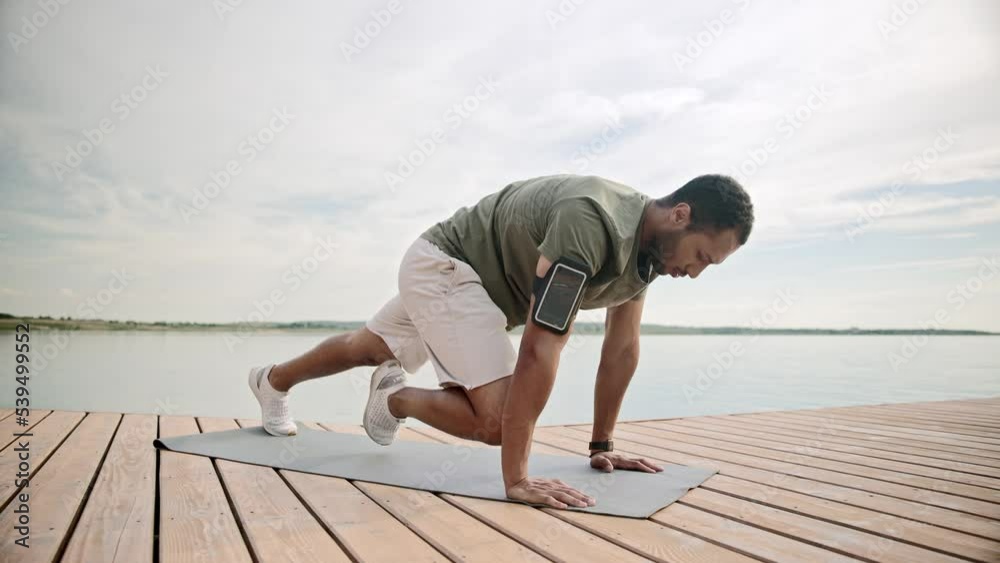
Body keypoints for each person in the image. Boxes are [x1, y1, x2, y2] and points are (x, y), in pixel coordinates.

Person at [248, 173, 754, 509]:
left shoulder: (648, 259)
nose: (694, 273)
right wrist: (517, 479)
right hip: (450, 267)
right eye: (702, 257)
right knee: (496, 420)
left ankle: (272, 381)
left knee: (368, 348)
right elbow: (542, 345)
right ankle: (393, 397)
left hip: (471, 287)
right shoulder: (592, 222)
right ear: (681, 216)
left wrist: (602, 446)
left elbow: (621, 350)